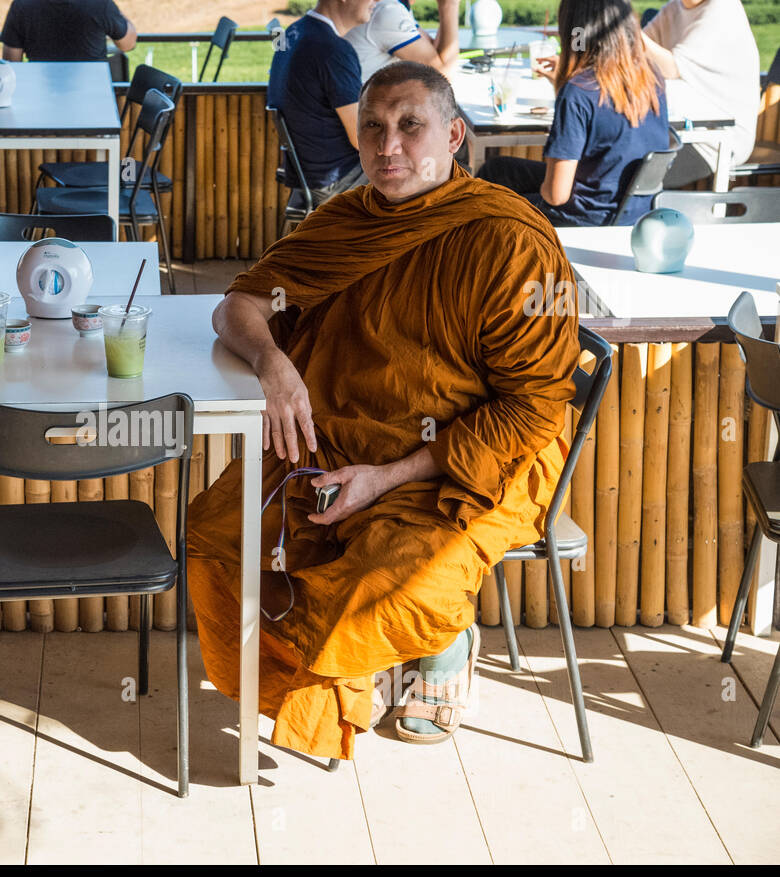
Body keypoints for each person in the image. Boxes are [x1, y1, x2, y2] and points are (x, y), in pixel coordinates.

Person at [186, 61, 579, 759]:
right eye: (373, 127)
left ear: (454, 134)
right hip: (339, 441)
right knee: (218, 539)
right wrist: (274, 363)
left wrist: (388, 475)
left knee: (370, 585)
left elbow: (534, 407)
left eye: (410, 126)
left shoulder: (509, 242)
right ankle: (293, 691)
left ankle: (441, 644)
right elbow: (238, 305)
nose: (387, 145)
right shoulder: (346, 220)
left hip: (462, 464)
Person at [477, 0, 669, 225]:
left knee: (487, 199)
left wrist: (535, 191)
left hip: (583, 220)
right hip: (633, 212)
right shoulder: (652, 78)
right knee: (498, 170)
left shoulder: (578, 92)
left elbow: (555, 195)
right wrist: (563, 82)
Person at [268, 0, 377, 207]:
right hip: (338, 182)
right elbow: (361, 137)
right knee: (430, 171)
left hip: (306, 177)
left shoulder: (293, 32)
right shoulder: (332, 49)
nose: (377, 1)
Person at [643, 0, 760, 187]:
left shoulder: (723, 8)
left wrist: (627, 31)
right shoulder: (675, 7)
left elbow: (672, 68)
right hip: (677, 127)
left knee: (627, 173)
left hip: (713, 141)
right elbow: (636, 55)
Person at [346, 0, 461, 82]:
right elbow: (443, 77)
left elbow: (435, 52)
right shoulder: (386, 10)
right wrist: (450, 5)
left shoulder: (395, 6)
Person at [1, 0, 136, 63]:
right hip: (93, 101)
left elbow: (11, 61)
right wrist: (117, 12)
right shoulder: (101, 4)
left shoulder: (22, 5)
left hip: (42, 99)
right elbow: (128, 44)